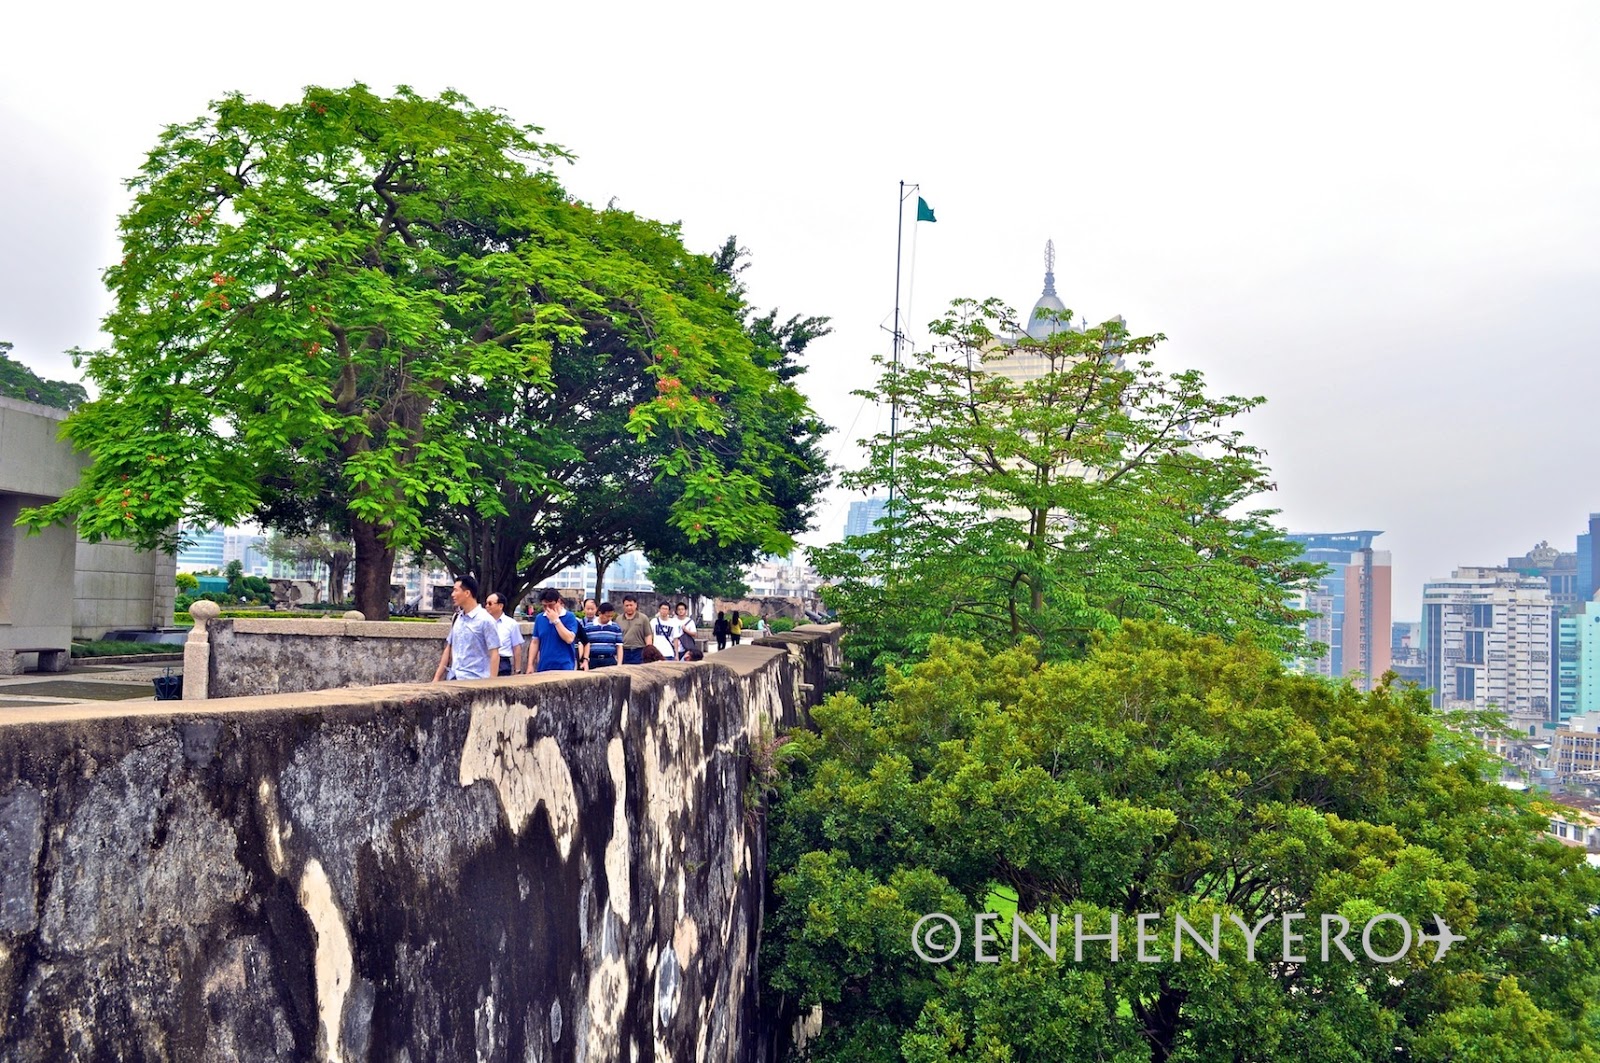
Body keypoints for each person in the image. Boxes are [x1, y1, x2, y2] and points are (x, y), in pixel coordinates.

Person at [432, 575, 500, 681]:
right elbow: (449, 648)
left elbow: (494, 653)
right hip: (454, 678)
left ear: (467, 593)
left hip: (476, 680)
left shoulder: (485, 620)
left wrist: (492, 683)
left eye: (455, 591)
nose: (452, 595)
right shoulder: (457, 618)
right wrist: (436, 678)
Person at [528, 588, 579, 672]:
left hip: (564, 666)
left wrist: (556, 620)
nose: (548, 609)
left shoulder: (569, 617)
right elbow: (535, 642)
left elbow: (569, 639)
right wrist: (530, 664)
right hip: (544, 666)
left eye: (551, 605)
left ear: (558, 601)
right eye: (544, 606)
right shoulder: (540, 618)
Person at [484, 592, 524, 676]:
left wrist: (517, 670)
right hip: (484, 661)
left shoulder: (511, 624)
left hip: (503, 663)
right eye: (486, 603)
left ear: (500, 606)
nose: (487, 606)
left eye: (490, 603)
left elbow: (516, 647)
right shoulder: (482, 623)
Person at [586, 602, 624, 668]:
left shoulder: (615, 627)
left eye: (611, 616)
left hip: (609, 660)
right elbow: (585, 644)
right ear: (600, 613)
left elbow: (619, 646)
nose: (609, 618)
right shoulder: (588, 627)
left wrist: (619, 664)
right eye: (607, 616)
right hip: (593, 660)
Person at [616, 595, 651, 665]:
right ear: (623, 606)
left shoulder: (643, 618)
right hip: (624, 651)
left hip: (639, 651)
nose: (629, 607)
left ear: (635, 605)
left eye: (631, 605)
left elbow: (648, 635)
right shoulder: (618, 619)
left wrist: (648, 650)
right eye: (627, 605)